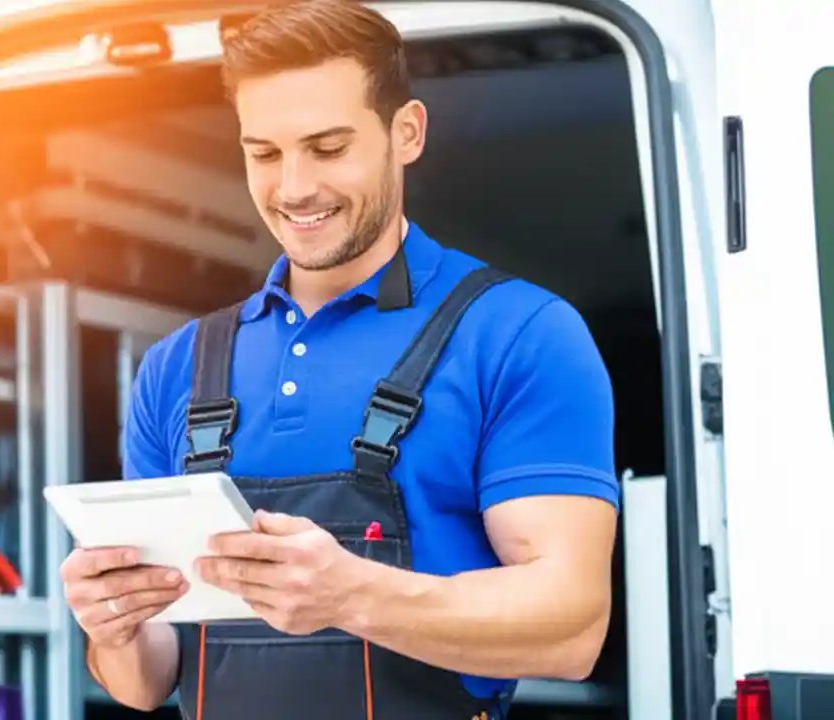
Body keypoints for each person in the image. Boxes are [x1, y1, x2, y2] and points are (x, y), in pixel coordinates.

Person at [58, 1, 619, 718]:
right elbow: (147, 681)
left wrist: (349, 593)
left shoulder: (519, 334)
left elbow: (571, 628)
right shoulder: (177, 368)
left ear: (406, 133)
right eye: (264, 153)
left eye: (327, 148)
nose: (293, 188)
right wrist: (113, 628)